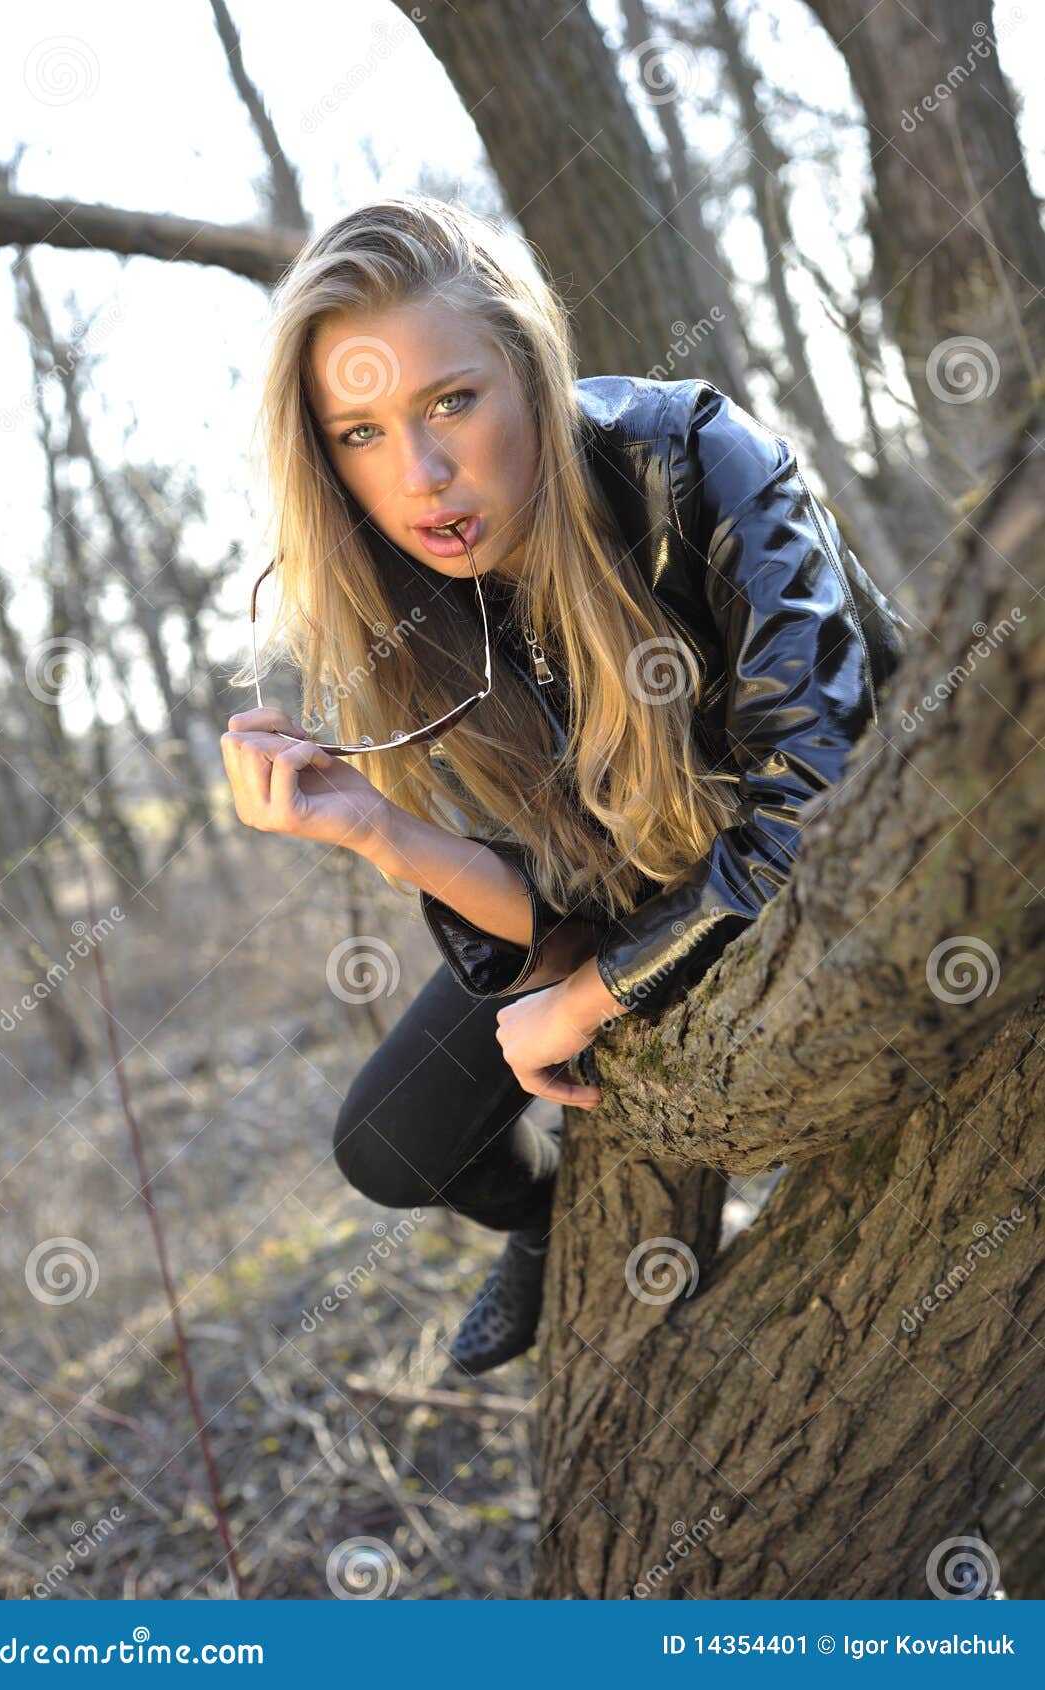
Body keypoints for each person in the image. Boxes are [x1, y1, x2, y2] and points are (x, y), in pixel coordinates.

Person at [220, 193, 909, 1377]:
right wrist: (378, 829)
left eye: (452, 402)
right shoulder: (420, 604)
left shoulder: (699, 461)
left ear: (527, 368)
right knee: (388, 1142)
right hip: (647, 898)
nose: (423, 474)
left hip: (838, 882)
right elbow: (554, 906)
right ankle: (553, 1224)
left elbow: (814, 813)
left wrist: (590, 998)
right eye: (362, 433)